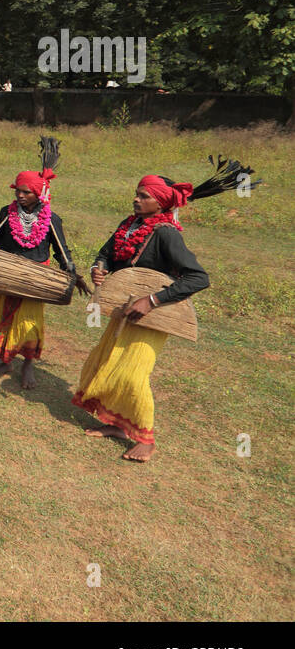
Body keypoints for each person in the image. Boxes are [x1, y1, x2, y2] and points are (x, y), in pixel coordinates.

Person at [73, 175, 211, 462]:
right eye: (136, 194)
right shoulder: (129, 225)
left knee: (132, 375)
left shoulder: (166, 234)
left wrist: (151, 301)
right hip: (123, 310)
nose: (136, 199)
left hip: (153, 317)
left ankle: (146, 439)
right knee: (109, 363)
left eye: (144, 196)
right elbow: (106, 254)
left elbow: (198, 278)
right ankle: (116, 425)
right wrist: (99, 268)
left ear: (160, 202)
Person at [0, 164, 83, 389]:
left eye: (26, 192)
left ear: (40, 194)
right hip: (6, 270)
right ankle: (5, 361)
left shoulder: (51, 220)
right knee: (1, 313)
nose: (20, 195)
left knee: (28, 321)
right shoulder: (7, 214)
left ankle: (27, 363)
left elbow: (62, 251)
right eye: (18, 190)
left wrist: (74, 274)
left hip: (35, 277)